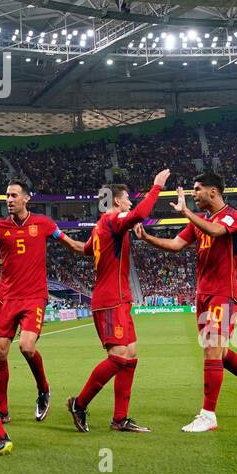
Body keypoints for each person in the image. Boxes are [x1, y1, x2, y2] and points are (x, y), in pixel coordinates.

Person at [134, 172, 237, 432]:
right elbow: (176, 245)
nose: (193, 193)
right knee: (219, 353)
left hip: (224, 293)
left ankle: (208, 415)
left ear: (213, 191)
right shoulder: (200, 221)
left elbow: (216, 231)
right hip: (202, 295)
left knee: (211, 349)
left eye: (197, 189)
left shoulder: (231, 216)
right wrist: (147, 239)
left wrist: (187, 213)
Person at [65, 169, 171, 435]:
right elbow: (139, 214)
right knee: (118, 356)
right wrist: (156, 186)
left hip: (120, 299)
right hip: (110, 300)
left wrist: (59, 236)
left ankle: (120, 418)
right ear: (116, 202)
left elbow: (84, 249)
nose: (130, 203)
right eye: (127, 199)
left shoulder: (103, 227)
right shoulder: (112, 220)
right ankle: (79, 403)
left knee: (131, 354)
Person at [0, 180, 86, 423]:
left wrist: (96, 248)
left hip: (34, 297)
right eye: (6, 196)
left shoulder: (43, 223)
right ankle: (2, 412)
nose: (9, 200)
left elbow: (72, 244)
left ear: (26, 198)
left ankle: (43, 389)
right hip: (8, 297)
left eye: (13, 195)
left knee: (26, 346)